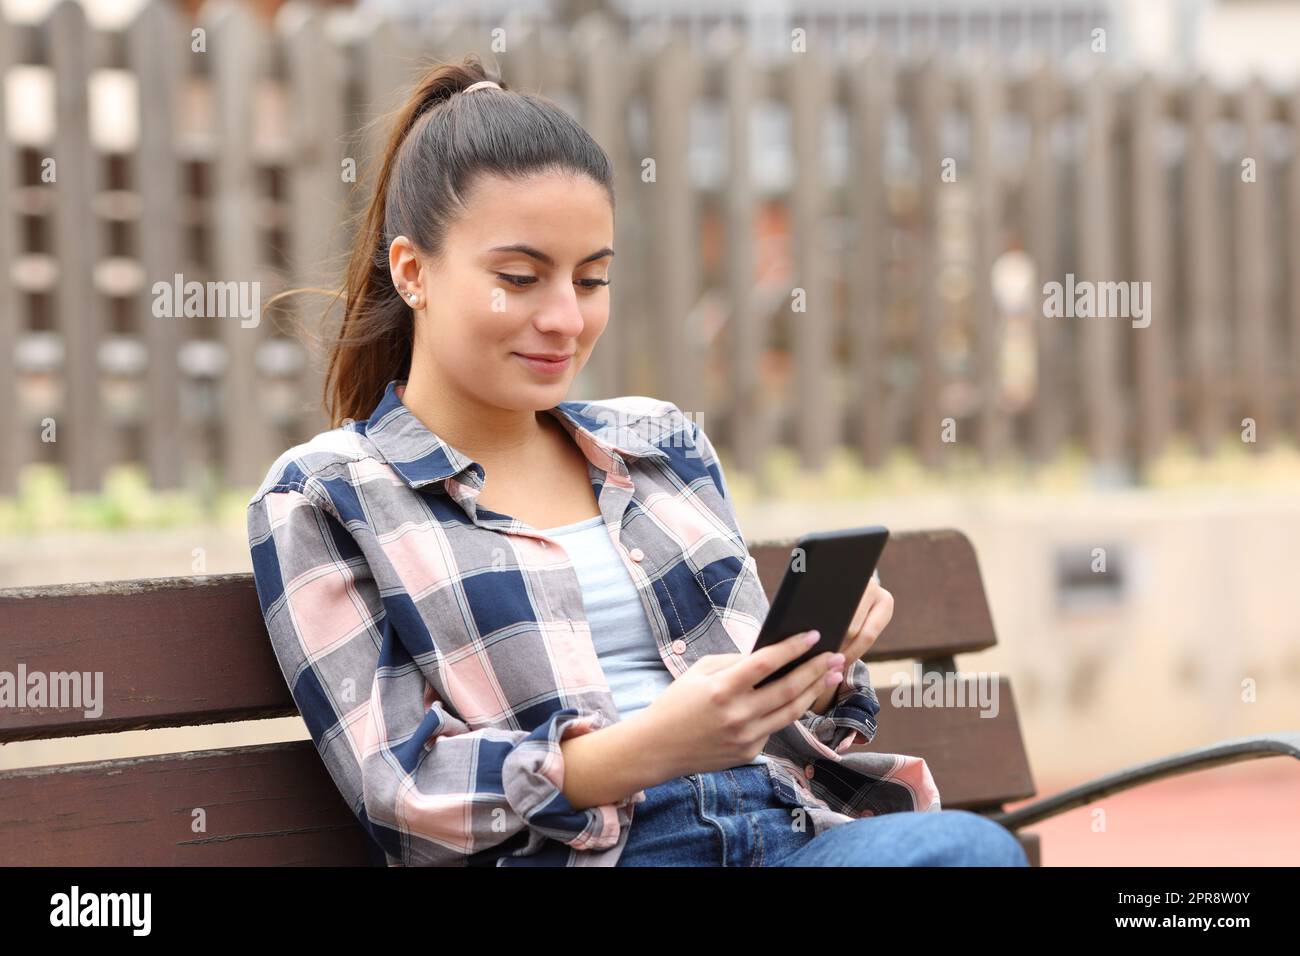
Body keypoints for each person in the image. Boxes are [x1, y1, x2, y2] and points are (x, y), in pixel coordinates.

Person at [246, 54, 1028, 868]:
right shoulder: (328, 495)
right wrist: (643, 750)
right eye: (520, 277)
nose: (563, 319)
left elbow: (782, 728)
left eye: (591, 280)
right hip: (587, 852)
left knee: (962, 850)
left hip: (777, 829)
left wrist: (813, 669)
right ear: (413, 271)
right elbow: (401, 792)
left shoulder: (659, 444)